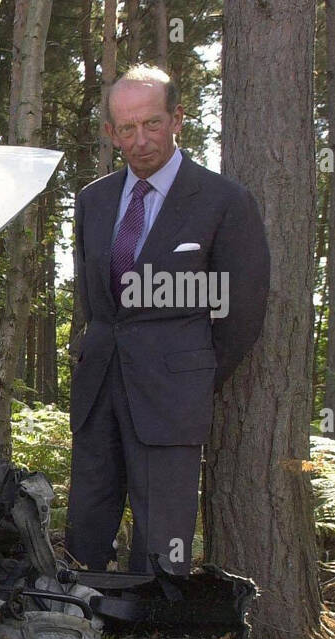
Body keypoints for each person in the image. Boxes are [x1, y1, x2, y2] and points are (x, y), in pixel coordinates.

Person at [65, 65, 269, 575]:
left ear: (177, 119)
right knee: (87, 516)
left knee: (164, 533)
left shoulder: (224, 201)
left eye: (152, 124)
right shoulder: (93, 200)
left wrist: (191, 372)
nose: (140, 140)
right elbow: (95, 300)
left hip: (172, 393)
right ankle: (78, 622)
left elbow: (240, 313)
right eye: (126, 129)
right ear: (111, 133)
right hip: (99, 385)